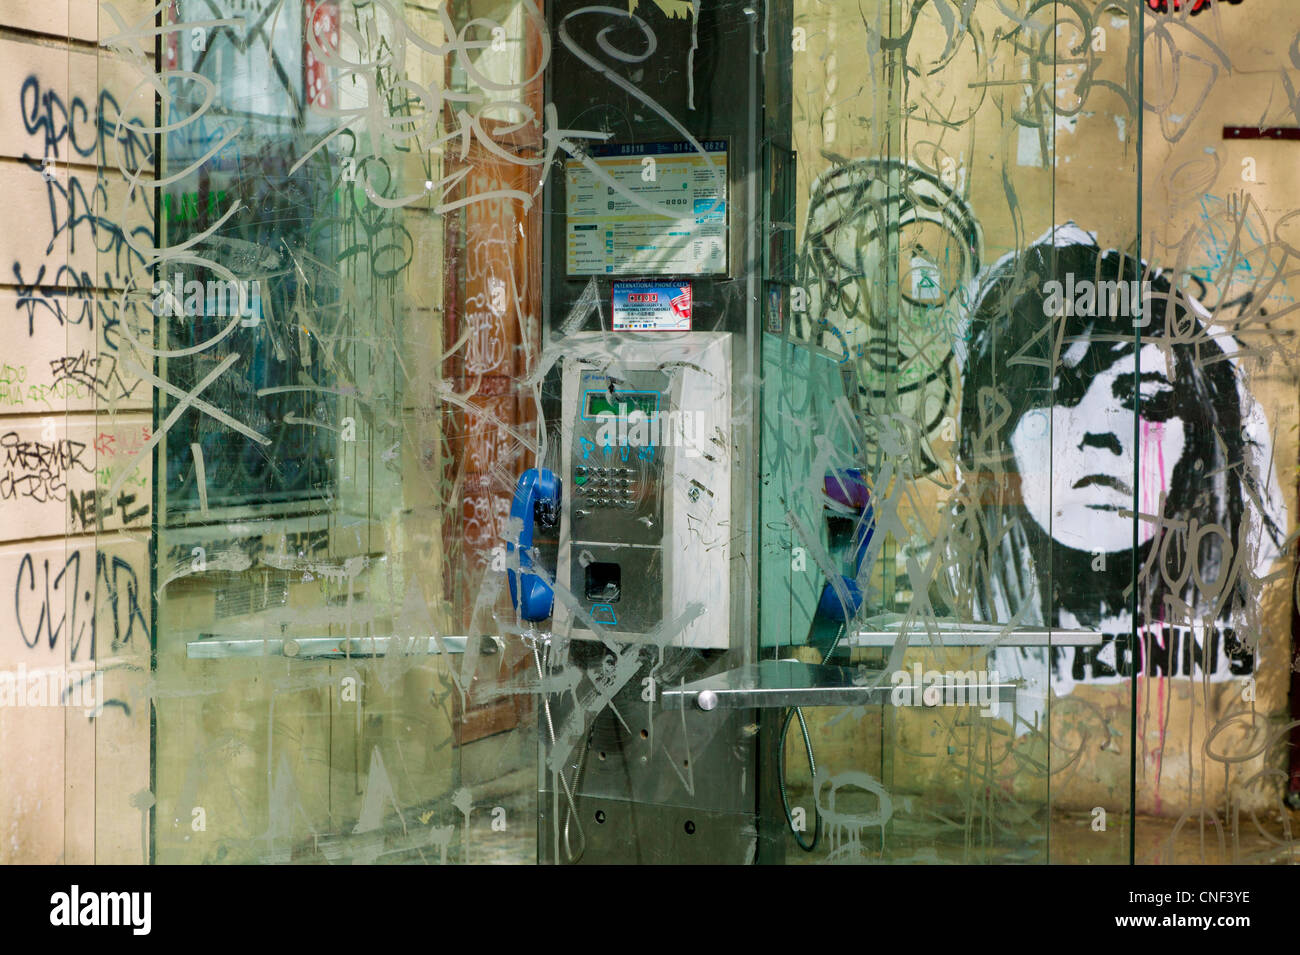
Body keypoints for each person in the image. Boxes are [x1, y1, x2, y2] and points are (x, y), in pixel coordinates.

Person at [943, 224, 1286, 700]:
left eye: (1145, 399)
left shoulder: (1226, 603)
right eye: (1051, 395)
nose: (1100, 434)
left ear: (1201, 437)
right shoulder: (961, 601)